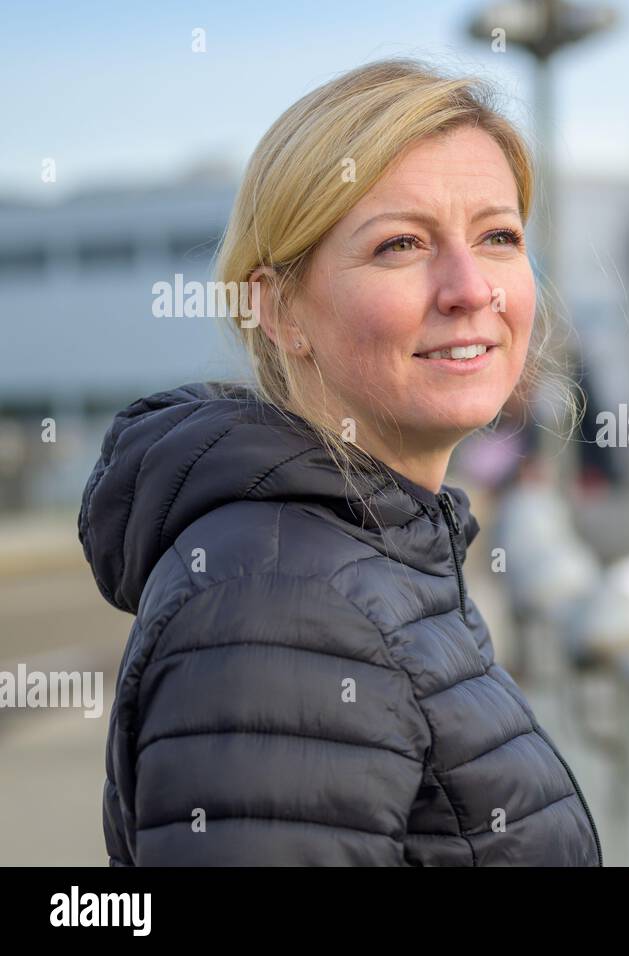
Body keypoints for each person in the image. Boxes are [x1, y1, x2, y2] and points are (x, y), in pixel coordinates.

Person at [77, 59, 601, 866]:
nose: (471, 288)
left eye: (498, 236)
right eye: (401, 244)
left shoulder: (376, 552)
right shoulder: (278, 605)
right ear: (280, 310)